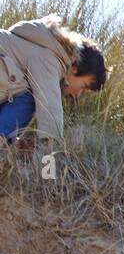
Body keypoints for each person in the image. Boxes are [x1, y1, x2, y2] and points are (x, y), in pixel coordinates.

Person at [0, 14, 107, 155]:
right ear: (75, 68)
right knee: (32, 97)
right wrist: (48, 165)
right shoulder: (51, 59)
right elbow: (50, 109)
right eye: (83, 86)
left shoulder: (32, 47)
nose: (77, 94)